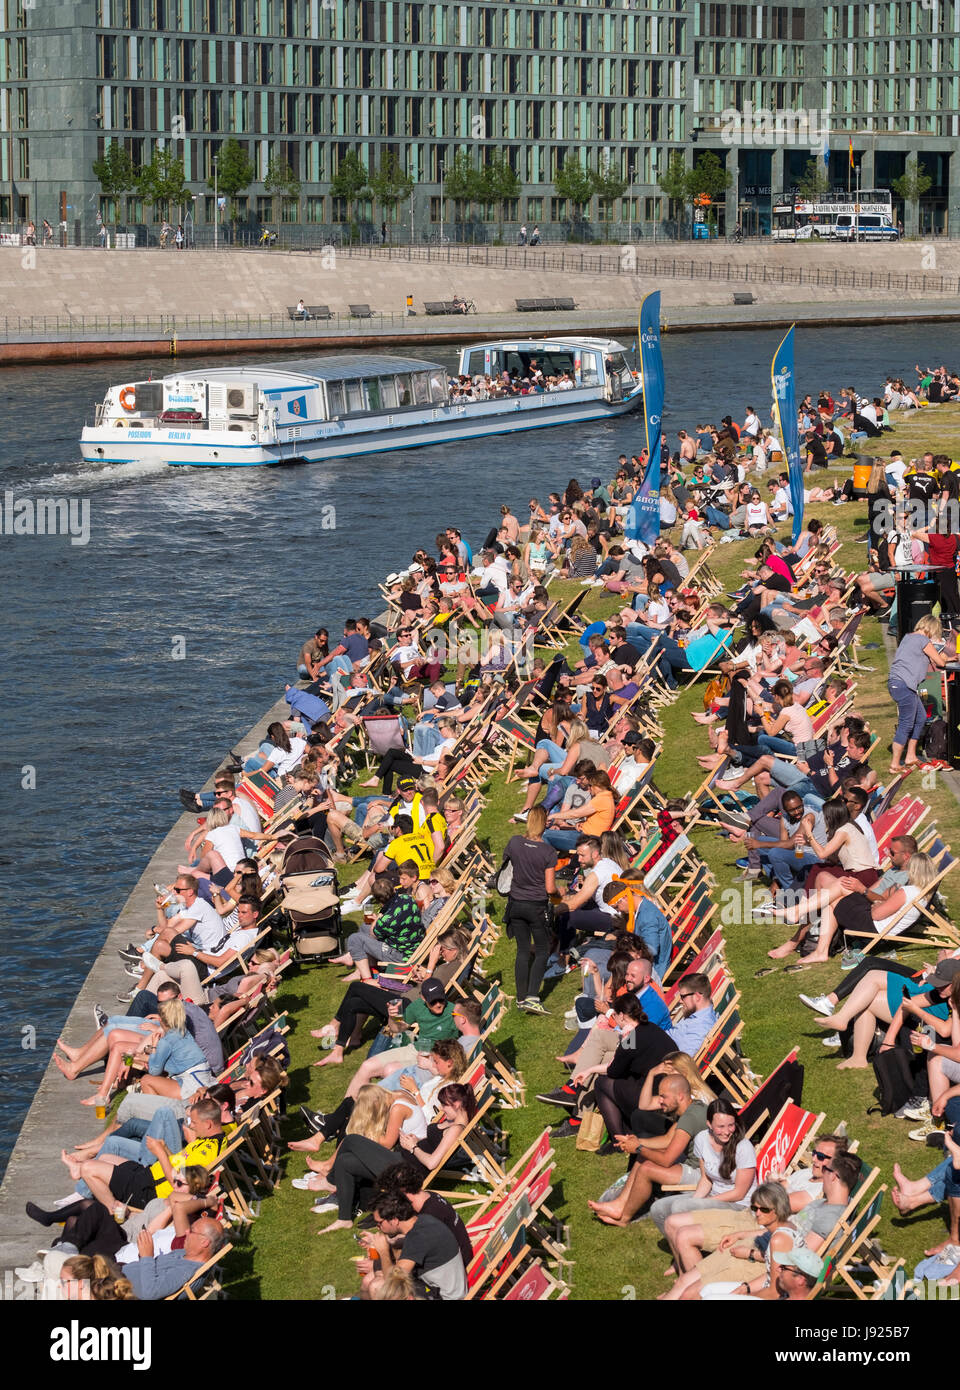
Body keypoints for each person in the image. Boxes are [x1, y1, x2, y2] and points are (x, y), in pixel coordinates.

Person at [502, 806, 558, 1015]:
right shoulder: (548, 852)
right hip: (536, 907)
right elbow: (550, 888)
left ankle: (520, 998)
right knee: (542, 950)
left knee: (523, 951)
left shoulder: (514, 842)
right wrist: (560, 892)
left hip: (515, 904)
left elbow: (506, 868)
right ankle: (533, 997)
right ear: (544, 824)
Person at [888, 614, 951, 774]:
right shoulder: (923, 640)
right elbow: (940, 662)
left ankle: (910, 756)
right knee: (906, 723)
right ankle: (895, 764)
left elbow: (927, 659)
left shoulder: (909, 637)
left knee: (921, 717)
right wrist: (947, 658)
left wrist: (945, 658)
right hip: (903, 685)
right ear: (932, 629)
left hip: (898, 683)